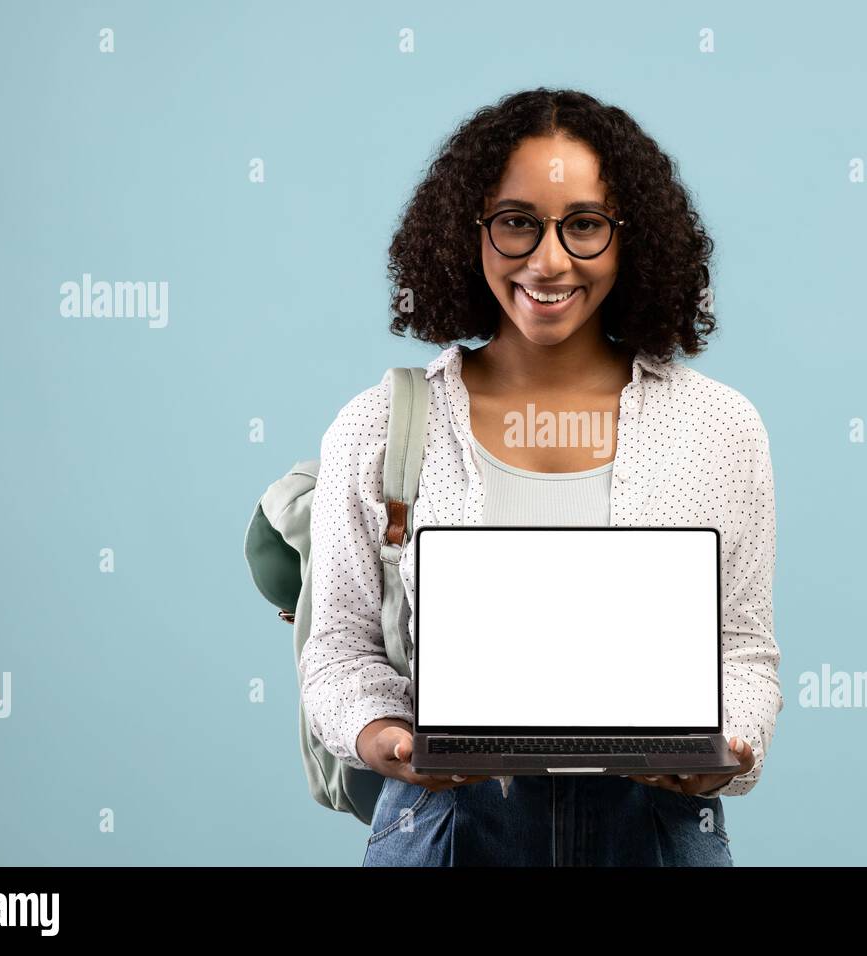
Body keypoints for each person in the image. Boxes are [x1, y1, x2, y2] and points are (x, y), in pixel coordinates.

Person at [301, 88, 780, 866]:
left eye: (584, 225)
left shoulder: (720, 428)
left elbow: (745, 648)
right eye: (517, 221)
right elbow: (338, 652)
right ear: (471, 234)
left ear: (632, 241)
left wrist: (733, 744)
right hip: (446, 822)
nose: (549, 260)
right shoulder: (378, 426)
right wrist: (387, 739)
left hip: (653, 825)